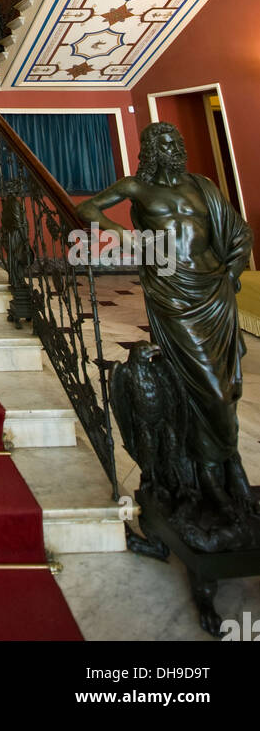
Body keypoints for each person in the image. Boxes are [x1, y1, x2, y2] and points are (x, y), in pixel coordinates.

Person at [77, 121, 255, 513]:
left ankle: (227, 470)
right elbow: (85, 207)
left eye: (177, 140)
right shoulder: (135, 187)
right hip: (172, 290)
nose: (174, 146)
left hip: (213, 287)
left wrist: (230, 273)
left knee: (227, 386)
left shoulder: (202, 185)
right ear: (151, 149)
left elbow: (238, 232)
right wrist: (122, 234)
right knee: (208, 385)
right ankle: (212, 474)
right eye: (165, 142)